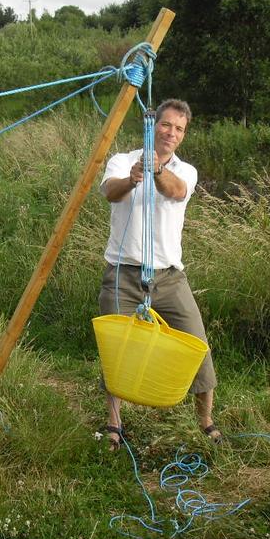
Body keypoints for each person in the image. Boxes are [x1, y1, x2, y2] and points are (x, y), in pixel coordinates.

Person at [98, 98, 220, 451]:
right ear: (153, 127)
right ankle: (113, 424)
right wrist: (134, 176)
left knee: (197, 345)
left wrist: (156, 172)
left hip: (168, 277)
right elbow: (109, 191)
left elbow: (177, 191)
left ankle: (206, 420)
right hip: (123, 273)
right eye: (166, 125)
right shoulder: (123, 160)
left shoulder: (186, 171)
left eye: (179, 129)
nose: (172, 133)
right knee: (117, 351)